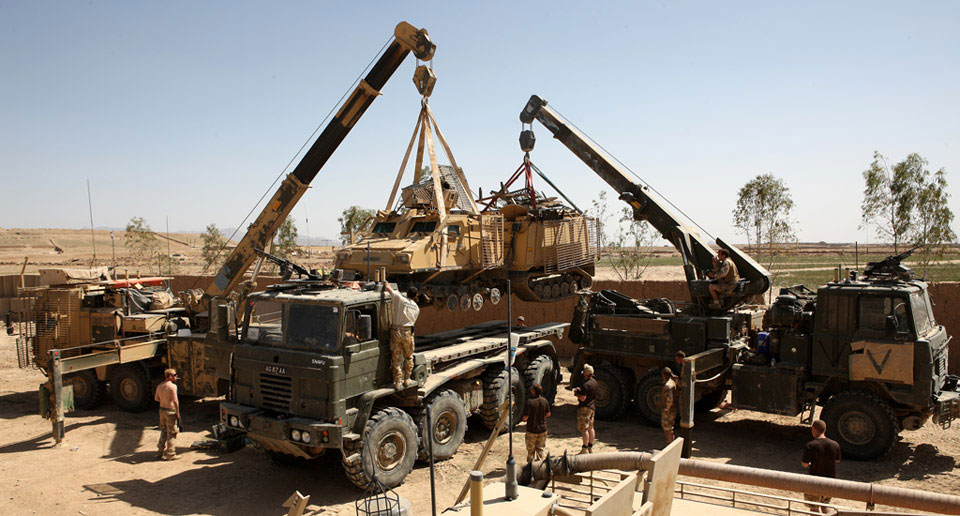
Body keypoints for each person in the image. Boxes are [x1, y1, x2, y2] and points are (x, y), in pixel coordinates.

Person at [384, 282, 420, 391]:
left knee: (396, 357)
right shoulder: (416, 308)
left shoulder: (399, 298)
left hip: (396, 331)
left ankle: (397, 381)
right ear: (415, 296)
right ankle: (407, 379)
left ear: (407, 293)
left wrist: (384, 280)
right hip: (408, 332)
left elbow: (387, 287)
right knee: (408, 356)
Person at [801, 419, 841, 514]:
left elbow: (804, 464)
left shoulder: (810, 445)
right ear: (825, 430)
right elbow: (837, 460)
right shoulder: (835, 445)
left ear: (814, 430)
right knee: (825, 505)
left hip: (814, 481)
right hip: (830, 481)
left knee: (814, 508)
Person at [154, 368, 180, 460]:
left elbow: (156, 399)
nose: (176, 377)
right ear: (170, 377)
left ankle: (160, 452)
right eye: (175, 375)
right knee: (172, 433)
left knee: (163, 430)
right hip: (170, 411)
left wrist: (164, 399)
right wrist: (178, 413)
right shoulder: (173, 387)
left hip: (162, 410)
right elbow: (175, 401)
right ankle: (171, 453)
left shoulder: (159, 386)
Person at [522, 383, 551, 464]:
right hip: (542, 429)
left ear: (534, 391)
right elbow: (548, 414)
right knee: (540, 450)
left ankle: (530, 469)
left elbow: (525, 418)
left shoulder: (529, 402)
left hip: (532, 430)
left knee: (531, 452)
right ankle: (540, 469)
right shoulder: (544, 401)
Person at [574, 364, 597, 454]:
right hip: (592, 407)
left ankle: (584, 448)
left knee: (584, 429)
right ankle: (590, 446)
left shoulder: (585, 384)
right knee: (591, 427)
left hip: (585, 409)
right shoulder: (594, 382)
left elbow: (583, 398)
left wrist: (577, 394)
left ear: (585, 373)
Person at [660, 367, 679, 444]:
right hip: (672, 409)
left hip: (668, 411)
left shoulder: (668, 386)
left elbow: (669, 399)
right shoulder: (672, 382)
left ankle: (669, 444)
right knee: (669, 428)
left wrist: (666, 409)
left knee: (667, 428)